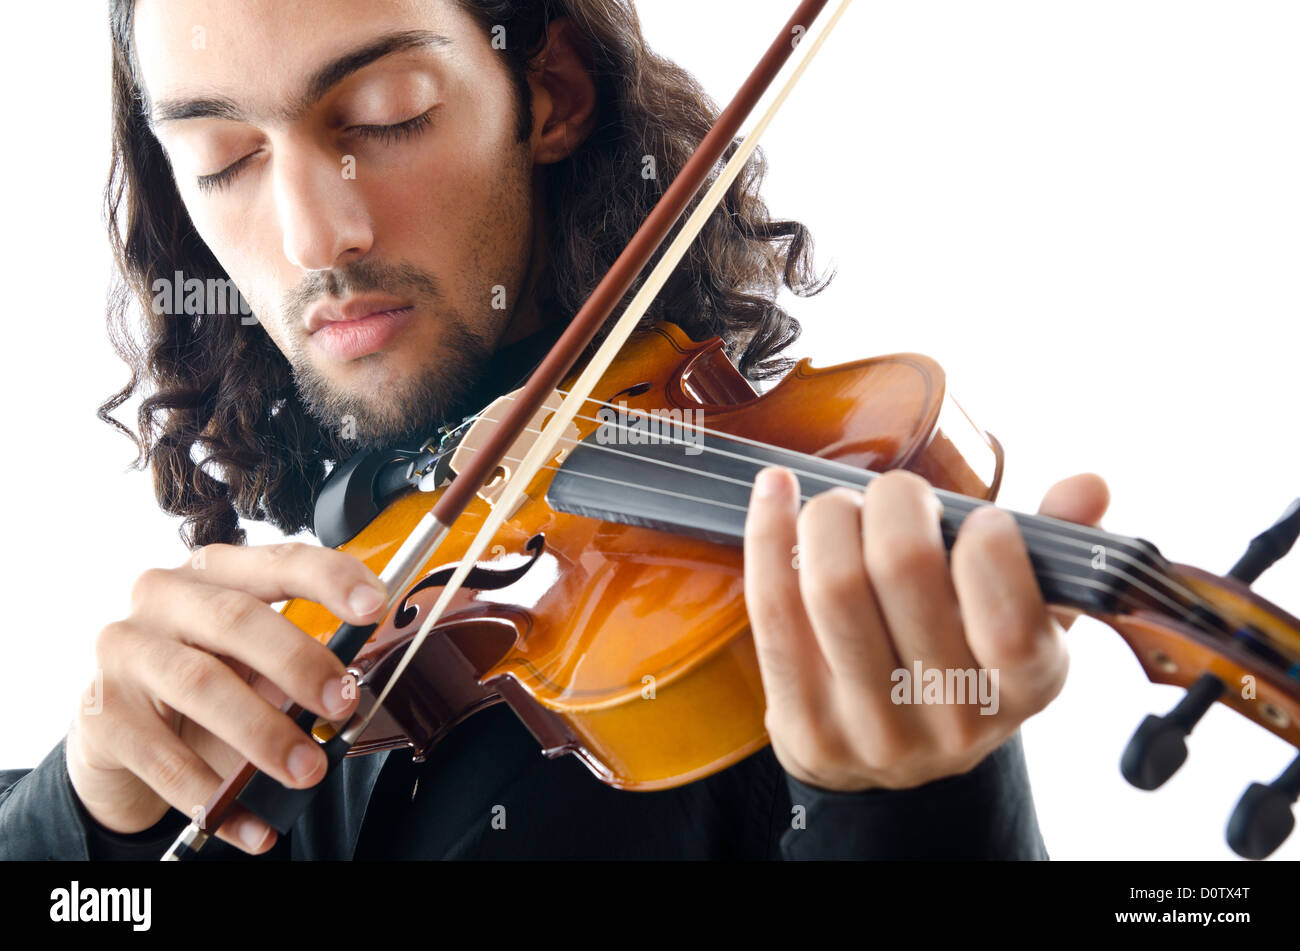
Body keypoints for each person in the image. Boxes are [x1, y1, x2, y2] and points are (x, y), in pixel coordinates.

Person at [0, 0, 1108, 860]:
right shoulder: (301, 608)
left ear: (554, 94)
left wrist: (913, 815)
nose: (311, 238)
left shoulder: (771, 620)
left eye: (387, 113)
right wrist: (85, 818)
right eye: (224, 161)